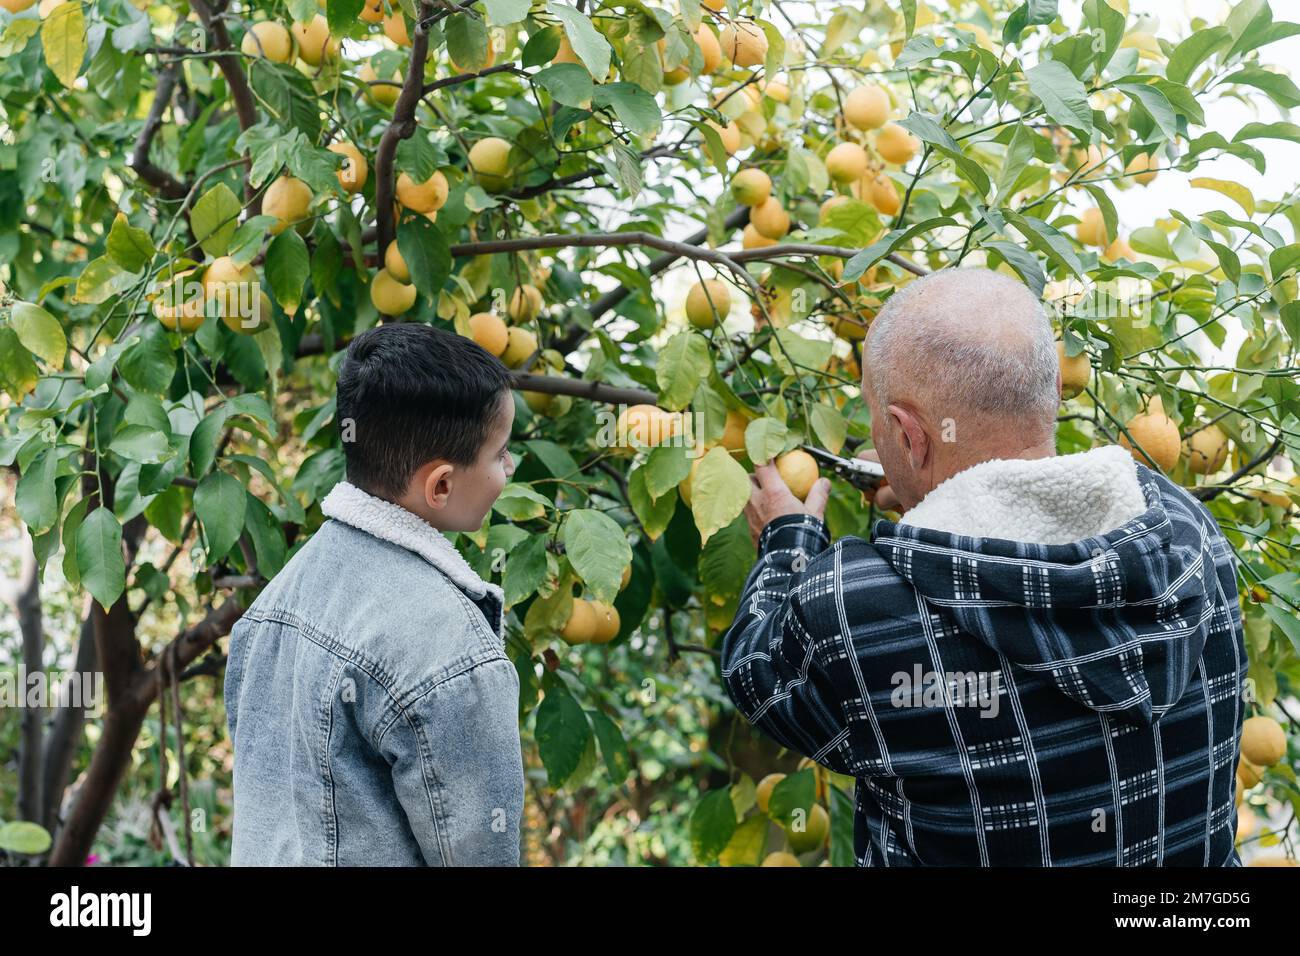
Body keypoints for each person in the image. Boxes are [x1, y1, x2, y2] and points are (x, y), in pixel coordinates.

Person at [723, 267, 1248, 866]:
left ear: (906, 434)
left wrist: (787, 542)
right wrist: (934, 495)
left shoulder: (857, 606)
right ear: (1050, 394)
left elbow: (757, 672)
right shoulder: (1185, 528)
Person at [225, 324, 524, 865]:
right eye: (500, 453)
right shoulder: (449, 648)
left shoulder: (274, 602)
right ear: (440, 486)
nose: (510, 466)